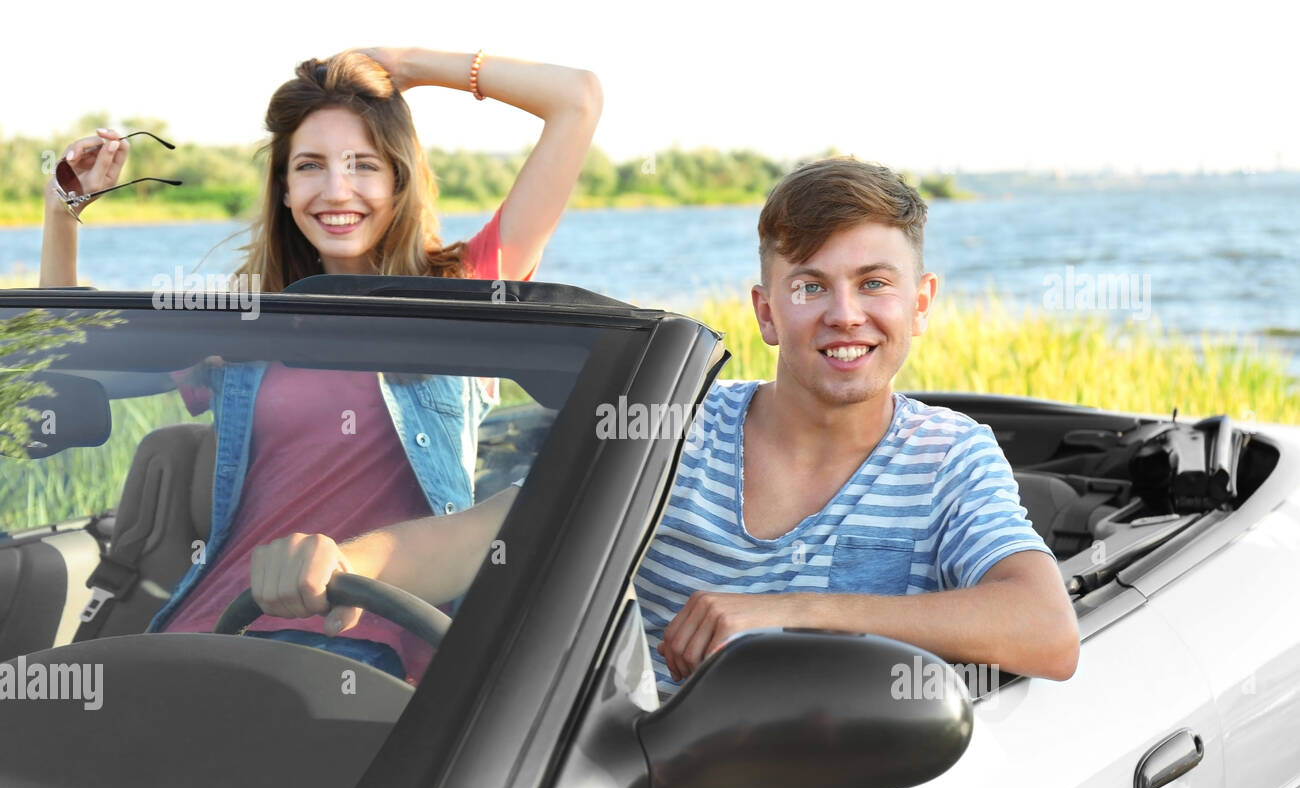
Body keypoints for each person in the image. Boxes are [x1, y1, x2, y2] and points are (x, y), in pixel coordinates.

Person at [244, 157, 1080, 697]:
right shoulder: (673, 424)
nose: (846, 315)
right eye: (811, 287)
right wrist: (342, 559)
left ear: (921, 303)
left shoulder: (950, 456)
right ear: (765, 310)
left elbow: (1046, 633)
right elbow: (497, 533)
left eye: (874, 284)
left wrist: (793, 611)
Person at [39, 48, 602, 685]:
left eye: (363, 165)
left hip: (374, 647)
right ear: (284, 188)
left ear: (398, 179)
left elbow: (576, 100)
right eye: (311, 167)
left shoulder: (467, 293)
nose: (337, 191)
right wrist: (64, 208)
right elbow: (65, 353)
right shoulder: (246, 323)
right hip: (215, 627)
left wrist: (408, 66)